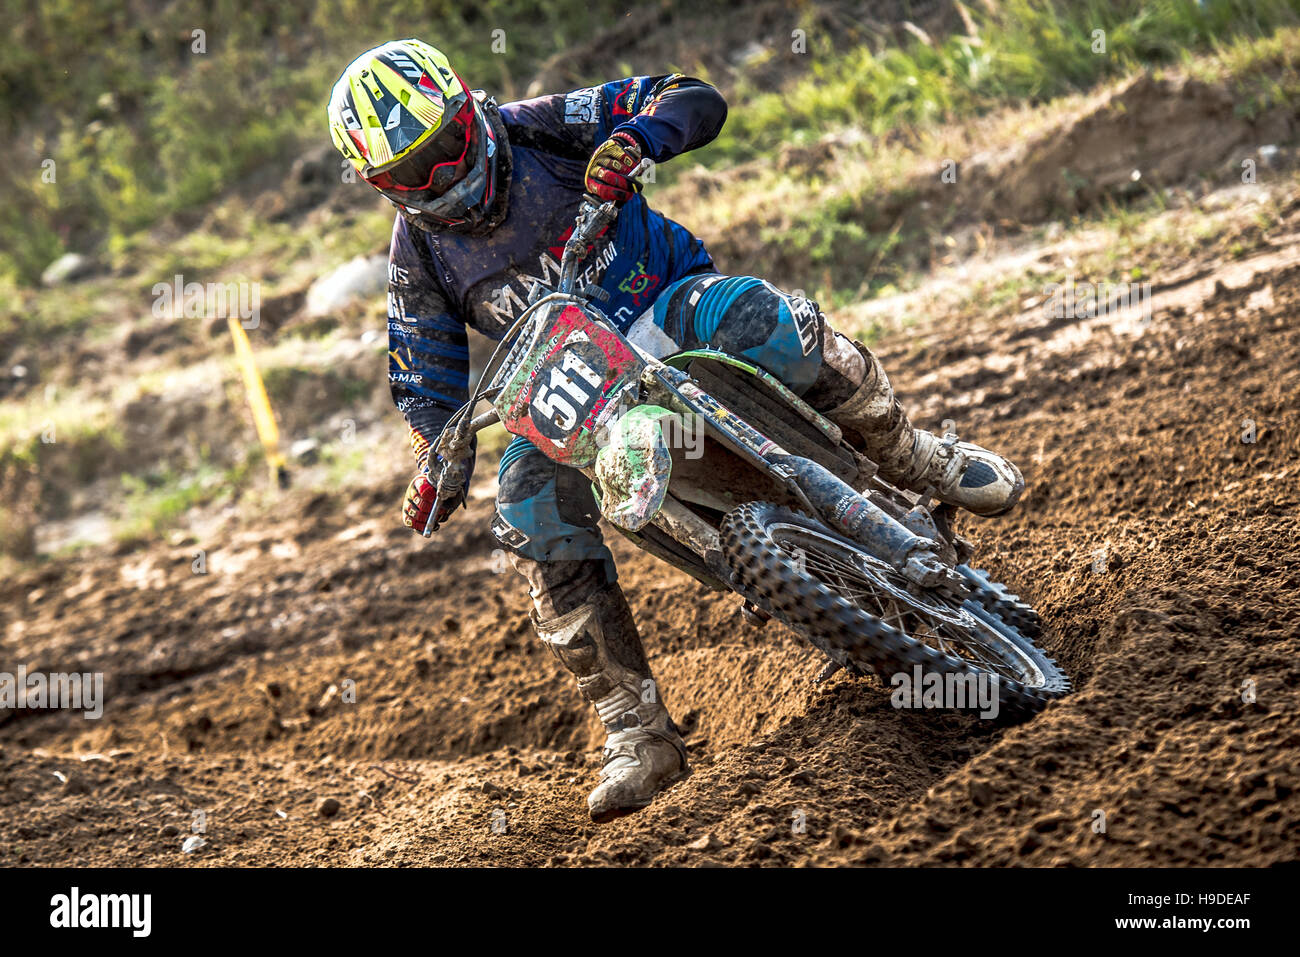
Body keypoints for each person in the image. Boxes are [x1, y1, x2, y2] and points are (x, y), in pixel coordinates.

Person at [327, 39, 1024, 821]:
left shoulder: (541, 128)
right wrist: (434, 461)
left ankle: (918, 456)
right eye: (405, 175)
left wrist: (635, 140)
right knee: (524, 508)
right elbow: (424, 386)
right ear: (376, 185)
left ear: (469, 114)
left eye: (445, 149)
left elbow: (693, 96)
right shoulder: (416, 252)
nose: (439, 180)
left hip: (665, 309)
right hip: (566, 388)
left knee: (771, 320)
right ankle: (635, 727)